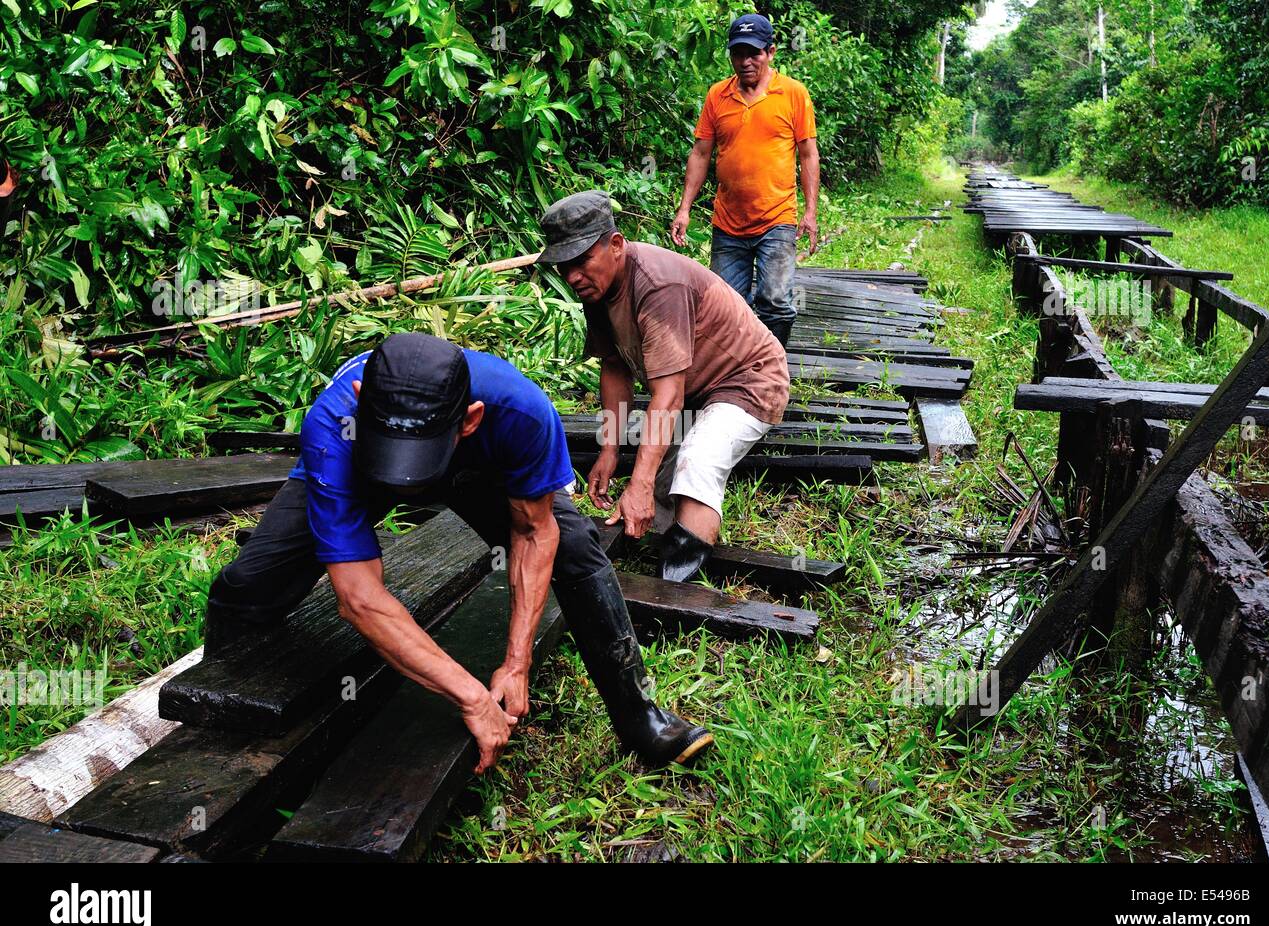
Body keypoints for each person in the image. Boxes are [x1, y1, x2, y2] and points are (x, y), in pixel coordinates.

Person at [204, 333, 712, 773]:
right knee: (249, 584)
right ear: (360, 398)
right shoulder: (336, 421)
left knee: (574, 546)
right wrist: (471, 696)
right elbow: (359, 596)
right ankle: (221, 707)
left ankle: (640, 715)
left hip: (476, 468)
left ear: (470, 419)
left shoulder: (521, 413)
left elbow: (534, 533)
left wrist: (516, 664)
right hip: (356, 464)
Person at [538, 190, 790, 582]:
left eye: (583, 260)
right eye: (563, 266)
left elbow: (667, 395)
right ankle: (666, 546)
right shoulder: (595, 285)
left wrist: (636, 484)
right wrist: (609, 450)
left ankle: (677, 593)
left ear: (616, 245)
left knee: (697, 462)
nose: (572, 277)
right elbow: (615, 367)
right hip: (695, 389)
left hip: (749, 380)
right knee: (659, 492)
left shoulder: (658, 285)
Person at [670, 13, 820, 348]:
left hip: (777, 218)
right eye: (739, 53)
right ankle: (740, 372)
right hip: (728, 222)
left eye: (754, 53)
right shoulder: (717, 96)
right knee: (726, 304)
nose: (746, 61)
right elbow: (700, 153)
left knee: (776, 301)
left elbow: (808, 155)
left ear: (771, 52)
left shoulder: (793, 94)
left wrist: (810, 213)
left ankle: (773, 370)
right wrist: (684, 209)